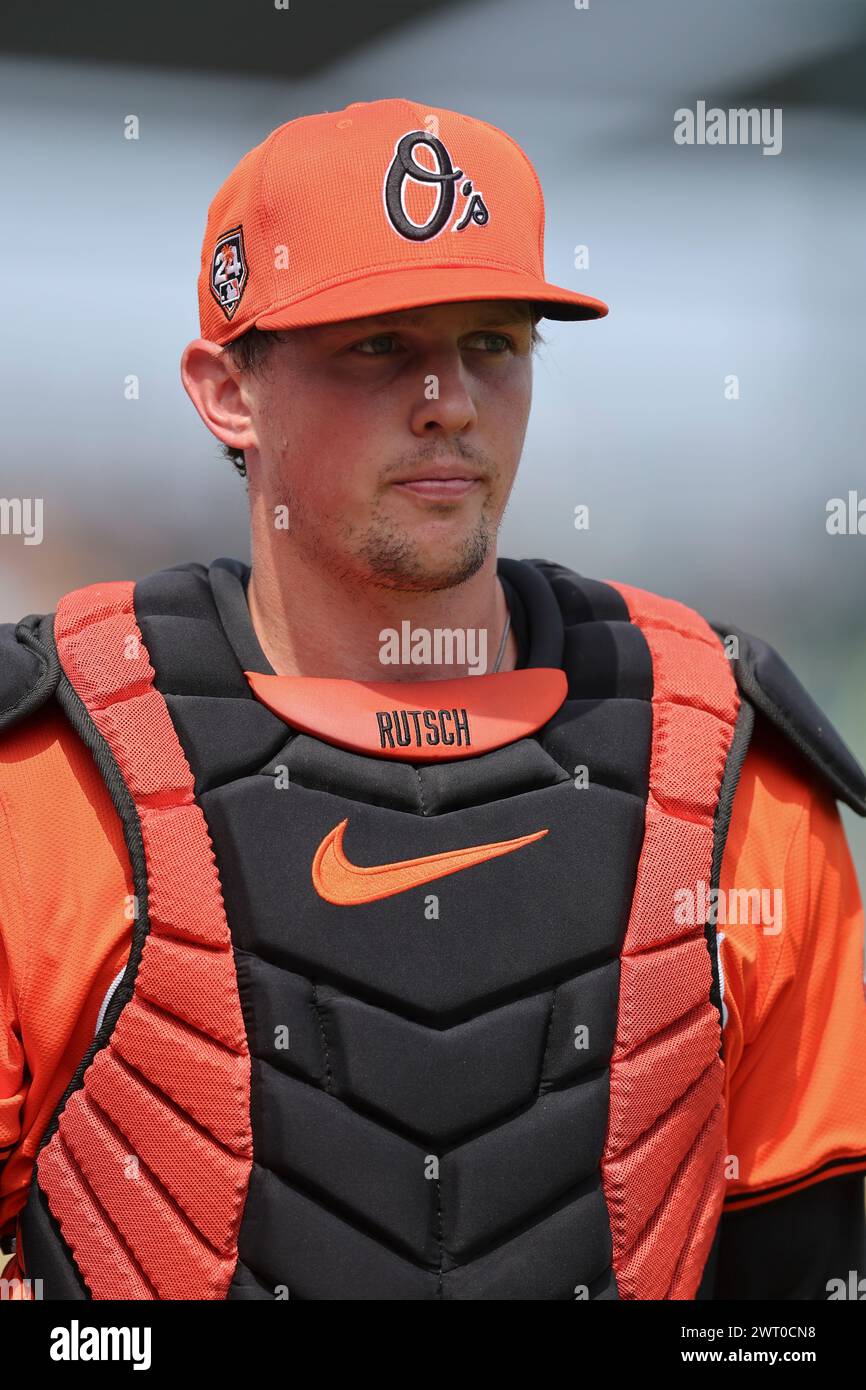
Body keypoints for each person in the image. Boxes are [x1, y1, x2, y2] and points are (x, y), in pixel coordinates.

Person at [2, 97, 865, 1302]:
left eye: (492, 344)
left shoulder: (727, 773)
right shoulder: (48, 780)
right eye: (377, 344)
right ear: (225, 391)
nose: (447, 398)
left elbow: (799, 1292)